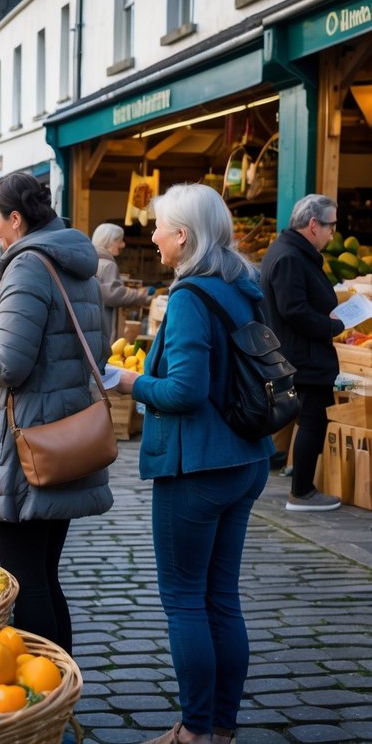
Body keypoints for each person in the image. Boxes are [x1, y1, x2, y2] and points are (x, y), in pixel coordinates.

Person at [115, 184, 274, 744]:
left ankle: (195, 731)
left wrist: (132, 382)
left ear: (182, 235)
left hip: (198, 467)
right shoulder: (241, 286)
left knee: (185, 600)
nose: (152, 235)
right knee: (221, 598)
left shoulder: (188, 297)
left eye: (159, 226)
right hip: (246, 458)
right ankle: (221, 729)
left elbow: (184, 391)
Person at [0, 172, 112, 655]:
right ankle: (64, 685)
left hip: (25, 444)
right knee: (46, 576)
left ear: (15, 219)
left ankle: (46, 690)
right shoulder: (75, 262)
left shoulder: (26, 267)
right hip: (62, 431)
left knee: (26, 582)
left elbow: (8, 363)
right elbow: (94, 353)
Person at [258, 194, 344, 513]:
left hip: (300, 353)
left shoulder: (293, 252)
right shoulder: (291, 257)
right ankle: (302, 492)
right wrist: (330, 325)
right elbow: (294, 310)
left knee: (307, 417)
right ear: (312, 225)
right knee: (312, 418)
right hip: (302, 356)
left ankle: (301, 487)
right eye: (331, 226)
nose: (332, 233)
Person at [92, 222, 153, 343]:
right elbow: (114, 295)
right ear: (109, 241)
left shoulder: (92, 261)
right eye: (119, 241)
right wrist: (143, 297)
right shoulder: (109, 265)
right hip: (104, 326)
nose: (123, 245)